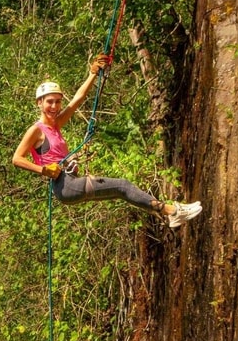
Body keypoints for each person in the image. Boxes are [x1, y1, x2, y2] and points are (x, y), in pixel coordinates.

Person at [12, 55, 202, 229]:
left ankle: (167, 213)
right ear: (39, 103)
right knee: (123, 185)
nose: (54, 106)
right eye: (49, 102)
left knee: (122, 190)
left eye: (58, 102)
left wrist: (92, 74)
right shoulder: (36, 130)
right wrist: (43, 170)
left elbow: (78, 99)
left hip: (68, 183)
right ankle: (173, 212)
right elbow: (17, 159)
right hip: (65, 184)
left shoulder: (56, 124)